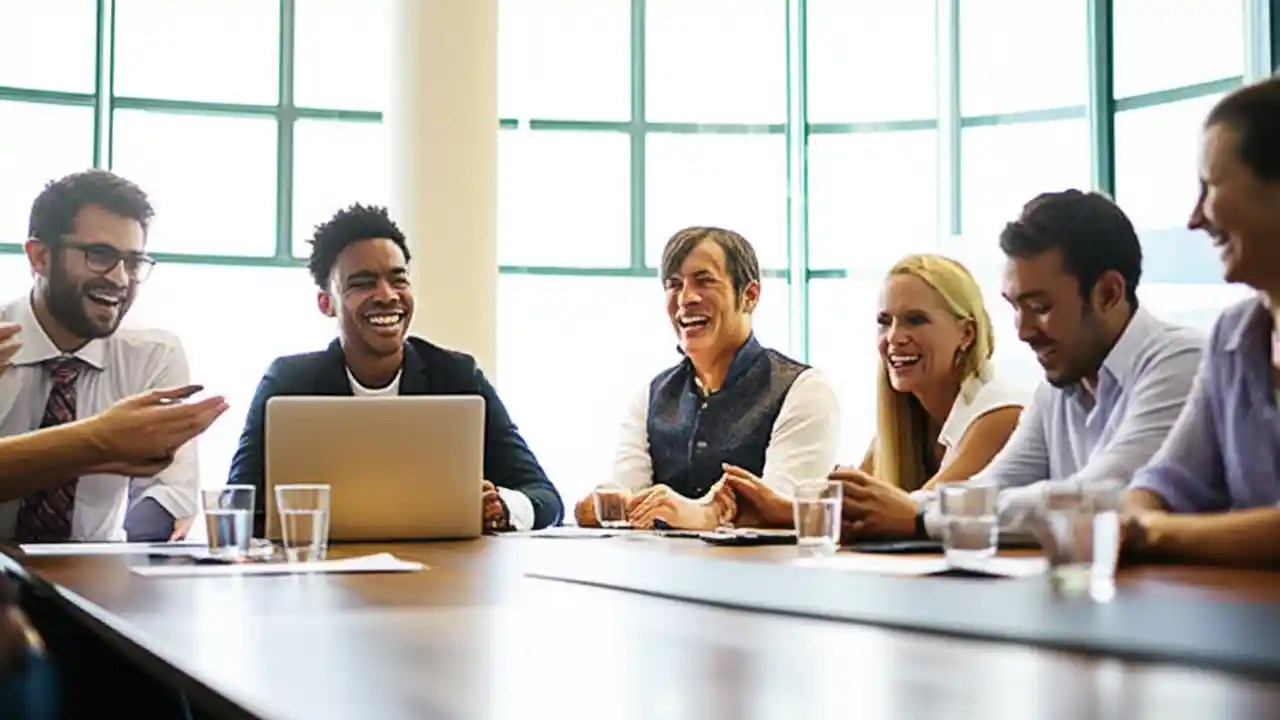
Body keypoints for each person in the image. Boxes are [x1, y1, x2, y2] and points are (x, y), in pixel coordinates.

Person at [229, 203, 563, 534]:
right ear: (326, 303)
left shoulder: (456, 376)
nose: (387, 296)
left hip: (438, 577)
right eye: (362, 283)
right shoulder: (288, 382)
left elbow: (545, 498)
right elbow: (237, 505)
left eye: (398, 279)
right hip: (323, 572)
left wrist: (501, 508)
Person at [921, 189, 1204, 537]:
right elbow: (989, 488)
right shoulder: (1055, 390)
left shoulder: (1182, 363)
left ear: (1109, 293)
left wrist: (919, 518)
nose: (1023, 332)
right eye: (1014, 308)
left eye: (1040, 307)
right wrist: (903, 509)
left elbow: (1098, 500)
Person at [724, 254, 1025, 538]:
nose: (894, 337)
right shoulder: (903, 416)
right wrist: (774, 508)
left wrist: (787, 511)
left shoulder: (1000, 411)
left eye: (916, 320)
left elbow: (918, 511)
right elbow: (855, 507)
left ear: (967, 334)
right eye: (885, 321)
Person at [575, 226, 840, 530]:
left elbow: (781, 510)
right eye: (674, 284)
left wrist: (694, 513)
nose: (686, 298)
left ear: (750, 296)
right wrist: (602, 505)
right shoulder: (650, 396)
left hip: (763, 574)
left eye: (704, 281)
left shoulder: (804, 390)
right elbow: (628, 499)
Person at [1122, 75, 1280, 568]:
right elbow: (1159, 484)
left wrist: (1158, 535)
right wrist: (1144, 521)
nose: (1195, 218)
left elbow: (1152, 523)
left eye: (1209, 185)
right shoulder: (1232, 339)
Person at [0, 170, 204, 543]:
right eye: (100, 255)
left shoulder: (152, 355)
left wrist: (142, 547)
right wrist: (99, 443)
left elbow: (169, 491)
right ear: (40, 256)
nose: (120, 279)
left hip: (92, 578)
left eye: (133, 262)